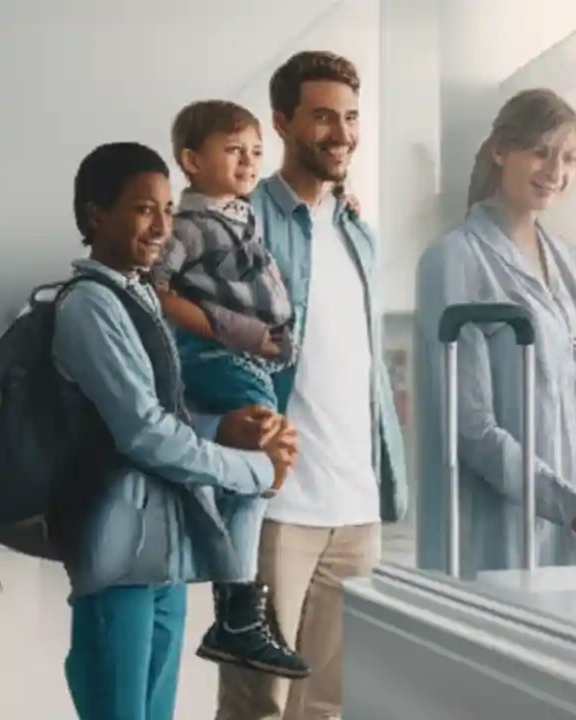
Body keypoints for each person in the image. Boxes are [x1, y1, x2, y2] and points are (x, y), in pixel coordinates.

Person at [54, 141, 297, 720]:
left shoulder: (137, 298)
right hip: (117, 554)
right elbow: (143, 433)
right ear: (95, 215)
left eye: (167, 209)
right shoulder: (89, 307)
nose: (163, 225)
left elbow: (170, 416)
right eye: (143, 209)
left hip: (161, 555)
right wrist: (253, 470)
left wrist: (227, 430)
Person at [214, 51, 408, 720]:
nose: (342, 133)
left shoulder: (361, 234)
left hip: (356, 508)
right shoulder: (241, 224)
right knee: (256, 703)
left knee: (327, 706)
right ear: (282, 121)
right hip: (276, 510)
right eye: (323, 116)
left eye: (351, 117)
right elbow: (199, 350)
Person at [416, 87, 576, 577]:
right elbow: (472, 428)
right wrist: (573, 508)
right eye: (540, 152)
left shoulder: (570, 262)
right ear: (500, 151)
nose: (555, 171)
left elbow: (574, 412)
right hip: (502, 535)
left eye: (569, 158)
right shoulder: (456, 259)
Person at [153, 99, 308, 679]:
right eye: (233, 150)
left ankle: (236, 612)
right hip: (217, 355)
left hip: (253, 362)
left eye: (255, 151)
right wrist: (235, 329)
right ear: (192, 161)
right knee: (263, 461)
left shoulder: (240, 215)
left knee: (255, 466)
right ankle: (238, 612)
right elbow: (154, 288)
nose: (248, 161)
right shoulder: (187, 225)